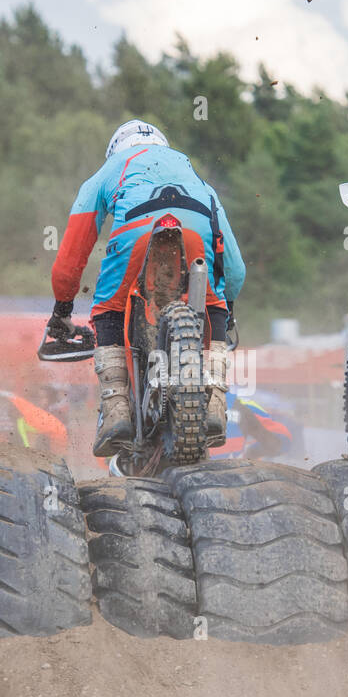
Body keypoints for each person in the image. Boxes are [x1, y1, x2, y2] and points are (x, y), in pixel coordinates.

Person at [45, 120, 246, 456]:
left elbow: (73, 252)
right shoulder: (194, 175)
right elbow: (235, 267)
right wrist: (227, 308)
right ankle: (214, 404)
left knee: (108, 307)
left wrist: (62, 308)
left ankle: (116, 409)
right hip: (195, 227)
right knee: (213, 301)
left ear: (115, 149)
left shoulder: (110, 170)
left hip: (136, 230)